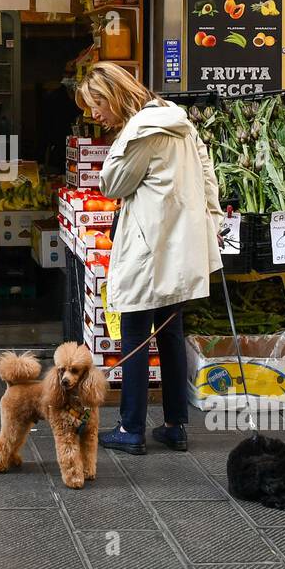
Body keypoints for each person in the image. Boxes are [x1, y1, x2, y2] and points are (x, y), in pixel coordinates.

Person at [76, 62, 223, 454]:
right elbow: (208, 175)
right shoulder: (180, 123)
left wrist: (119, 146)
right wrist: (213, 221)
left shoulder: (141, 131)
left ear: (115, 96)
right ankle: (175, 425)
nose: (95, 115)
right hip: (178, 243)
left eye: (97, 104)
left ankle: (131, 428)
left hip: (148, 245)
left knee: (135, 332)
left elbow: (112, 183)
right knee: (171, 333)